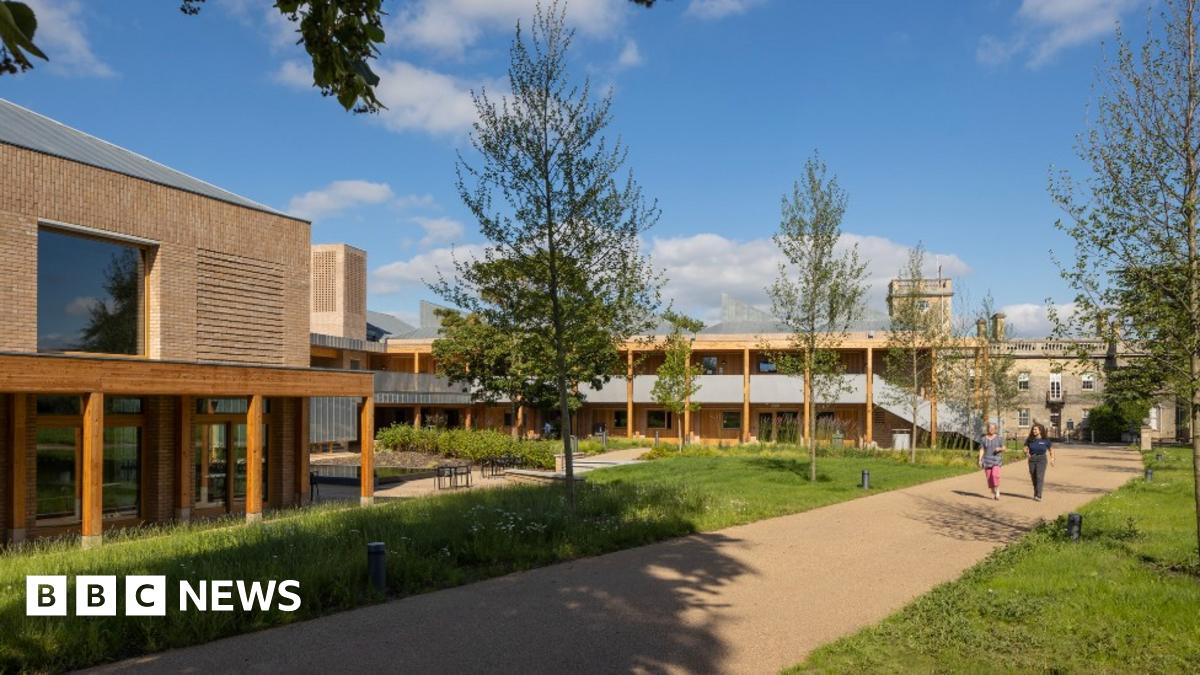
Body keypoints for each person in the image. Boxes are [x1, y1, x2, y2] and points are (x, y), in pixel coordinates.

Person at [1024, 423, 1055, 501]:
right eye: (1033, 429)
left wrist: (1052, 459)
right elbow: (1025, 447)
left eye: (1035, 429)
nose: (1034, 431)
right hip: (1032, 459)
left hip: (1042, 459)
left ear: (1040, 430)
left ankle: (1039, 495)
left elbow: (1051, 450)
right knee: (1033, 476)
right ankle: (1036, 492)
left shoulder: (1045, 440)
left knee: (1039, 476)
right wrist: (1026, 453)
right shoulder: (1030, 439)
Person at [977, 423, 1005, 500]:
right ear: (987, 429)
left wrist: (1000, 449)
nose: (991, 429)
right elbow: (982, 449)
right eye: (990, 428)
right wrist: (980, 460)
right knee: (989, 477)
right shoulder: (983, 439)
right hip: (986, 460)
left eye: (993, 428)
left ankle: (997, 490)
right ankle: (993, 491)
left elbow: (1004, 448)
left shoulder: (999, 438)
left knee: (995, 475)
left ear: (995, 429)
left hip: (996, 459)